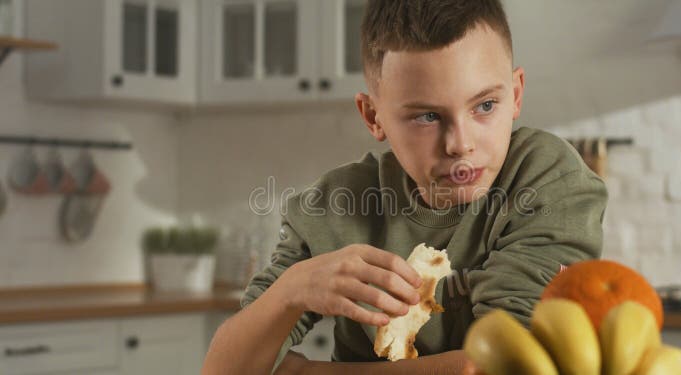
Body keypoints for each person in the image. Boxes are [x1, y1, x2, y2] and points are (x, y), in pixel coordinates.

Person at [202, 1, 607, 374]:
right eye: (427, 116)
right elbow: (224, 368)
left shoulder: (546, 176)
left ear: (516, 94)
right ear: (373, 116)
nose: (460, 143)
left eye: (485, 106)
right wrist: (293, 289)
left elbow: (499, 363)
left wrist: (309, 371)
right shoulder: (333, 205)